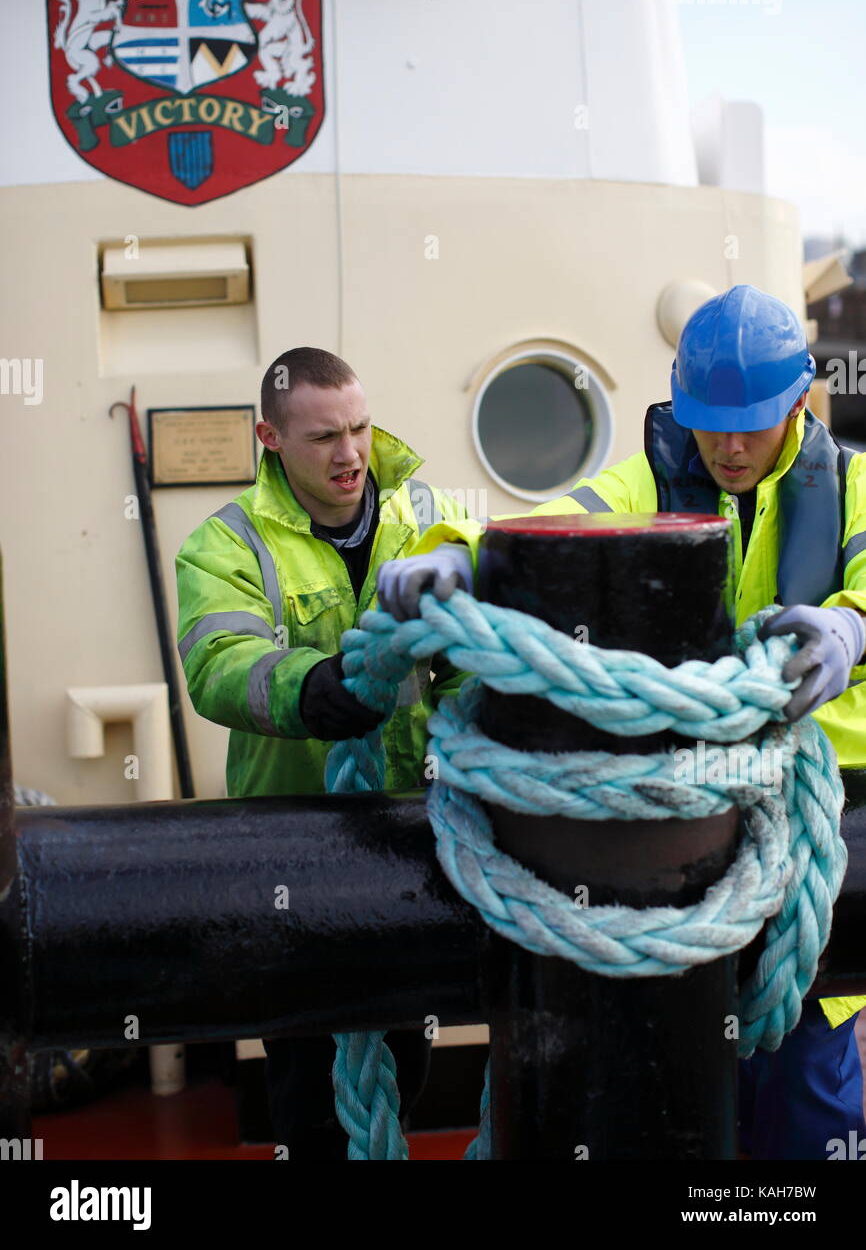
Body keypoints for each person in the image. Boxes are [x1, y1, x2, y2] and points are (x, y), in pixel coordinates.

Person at [378, 284, 866, 1160]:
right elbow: (549, 524)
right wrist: (454, 552)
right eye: (709, 422)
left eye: (750, 423)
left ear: (799, 400)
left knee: (806, 1118)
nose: (727, 446)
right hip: (675, 829)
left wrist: (850, 623)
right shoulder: (646, 474)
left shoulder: (857, 488)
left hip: (814, 829)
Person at [175, 346, 468, 1159]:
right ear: (269, 437)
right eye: (322, 438)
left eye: (360, 429)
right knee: (308, 1081)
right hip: (292, 847)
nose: (350, 454)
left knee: (403, 1056)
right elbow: (216, 664)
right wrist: (313, 689)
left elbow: (469, 652)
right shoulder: (224, 546)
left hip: (410, 833)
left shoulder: (428, 518)